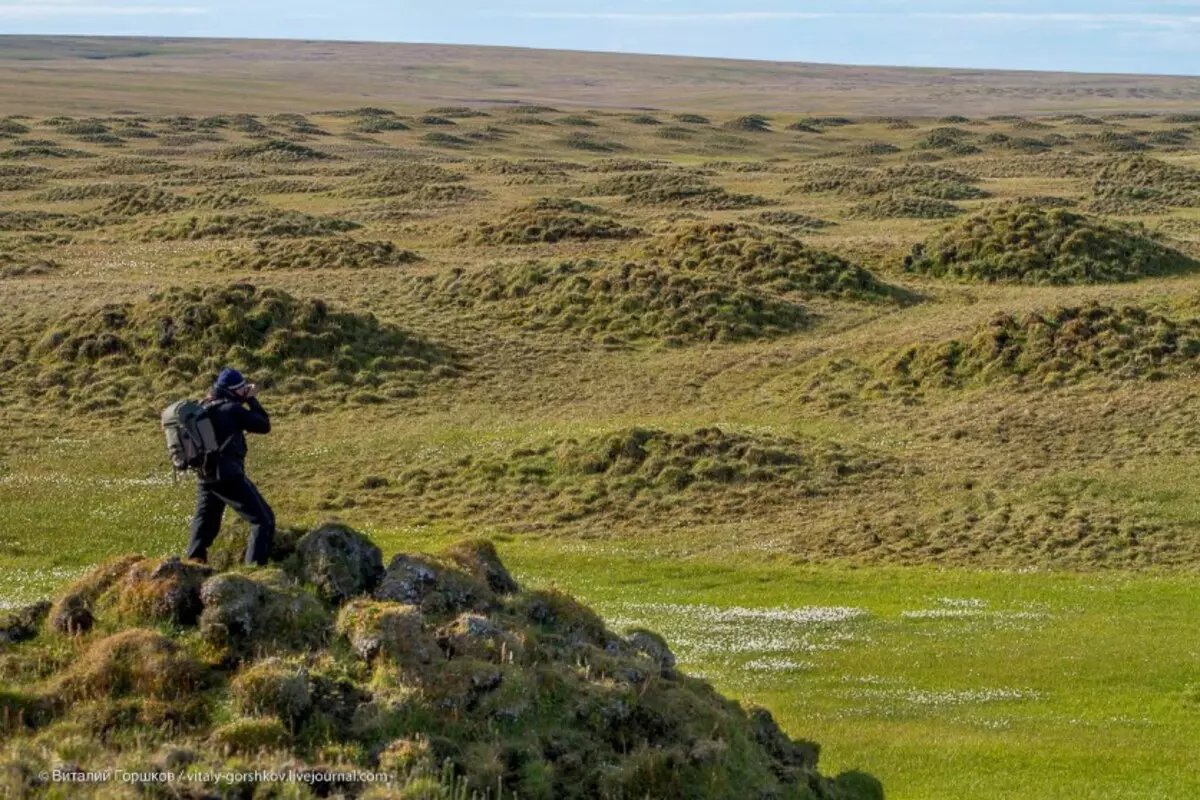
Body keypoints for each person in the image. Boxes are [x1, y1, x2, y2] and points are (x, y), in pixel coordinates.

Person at [187, 367, 275, 566]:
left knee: (204, 528)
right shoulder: (232, 410)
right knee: (263, 521)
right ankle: (254, 571)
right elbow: (263, 425)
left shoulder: (203, 405)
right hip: (227, 477)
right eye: (242, 389)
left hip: (205, 476)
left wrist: (241, 396)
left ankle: (192, 567)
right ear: (236, 390)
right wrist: (250, 398)